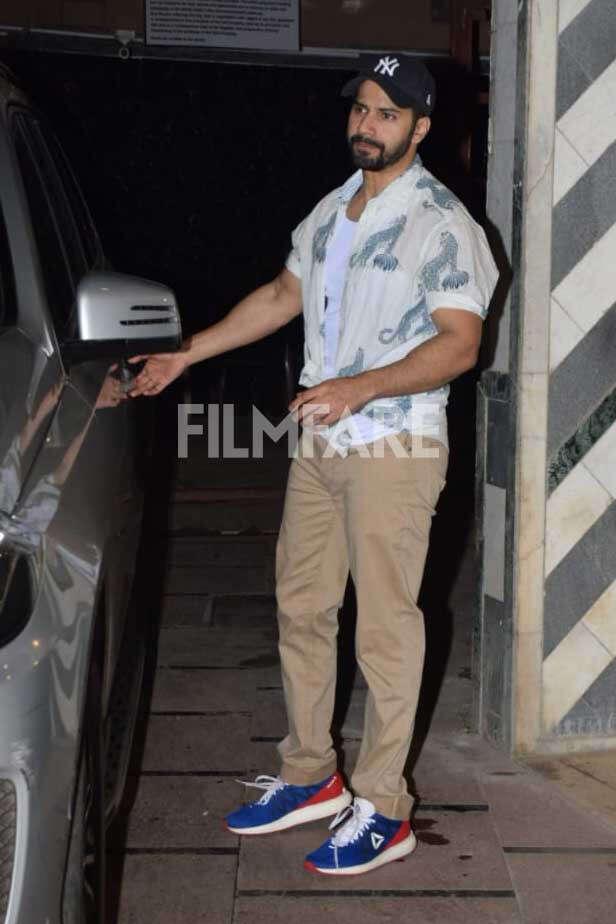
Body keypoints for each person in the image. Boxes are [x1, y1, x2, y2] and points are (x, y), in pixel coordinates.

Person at [129, 54, 498, 876]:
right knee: (301, 607)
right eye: (361, 109)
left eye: (387, 114)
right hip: (322, 441)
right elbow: (280, 295)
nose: (367, 125)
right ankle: (311, 775)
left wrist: (358, 388)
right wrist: (184, 354)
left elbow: (461, 343)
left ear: (422, 128)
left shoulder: (443, 223)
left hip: (395, 445)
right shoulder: (335, 208)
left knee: (385, 628)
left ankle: (385, 808)